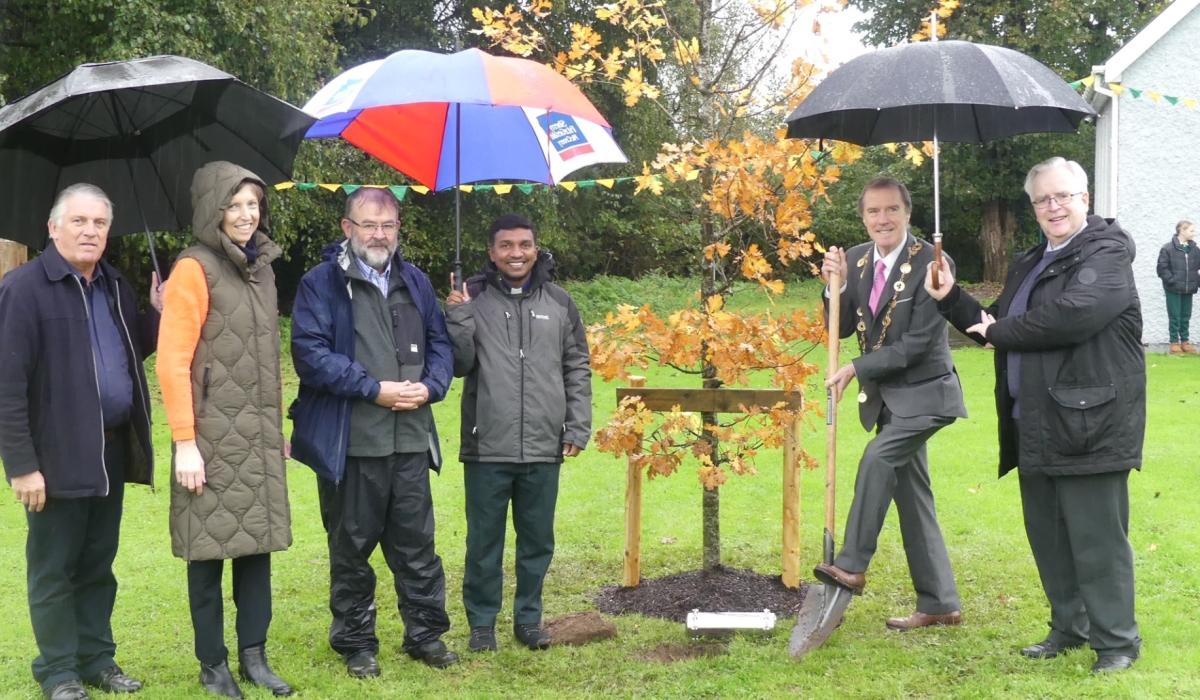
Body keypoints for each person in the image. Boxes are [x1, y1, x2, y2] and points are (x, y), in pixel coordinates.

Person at [925, 157, 1144, 674]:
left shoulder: (1107, 252)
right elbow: (996, 323)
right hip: (1035, 421)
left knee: (1097, 539)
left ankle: (1116, 642)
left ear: (1085, 198)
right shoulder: (1031, 262)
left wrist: (999, 332)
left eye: (1062, 196)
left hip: (1092, 423)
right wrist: (951, 297)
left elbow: (1072, 316)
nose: (1053, 206)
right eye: (1043, 199)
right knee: (1049, 535)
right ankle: (1069, 627)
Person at [289, 187, 458, 677]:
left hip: (410, 438)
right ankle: (357, 642)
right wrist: (372, 389)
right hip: (353, 442)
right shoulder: (321, 283)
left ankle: (425, 635)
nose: (379, 235)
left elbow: (440, 344)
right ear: (348, 228)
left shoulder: (415, 281)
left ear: (398, 228)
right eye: (369, 224)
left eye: (388, 225)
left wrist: (431, 386)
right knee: (351, 548)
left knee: (417, 546)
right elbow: (310, 354)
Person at [0, 184, 159, 700]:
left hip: (109, 450)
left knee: (97, 565)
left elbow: (129, 350)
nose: (90, 231)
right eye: (79, 221)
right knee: (54, 569)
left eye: (99, 223)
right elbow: (7, 383)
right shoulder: (24, 289)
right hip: (55, 456)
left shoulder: (115, 284)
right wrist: (22, 465)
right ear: (53, 228)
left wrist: (157, 314)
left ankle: (96, 660)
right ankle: (58, 672)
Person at [156, 162, 293, 698]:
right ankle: (213, 665)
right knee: (207, 554)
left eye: (252, 204)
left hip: (255, 436)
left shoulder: (263, 269)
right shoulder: (193, 268)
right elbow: (172, 363)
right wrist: (185, 443)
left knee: (256, 548)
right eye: (233, 204)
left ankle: (255, 657)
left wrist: (272, 428)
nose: (245, 214)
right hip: (208, 440)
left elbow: (264, 359)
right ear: (212, 211)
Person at [813, 177, 966, 631]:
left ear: (908, 213)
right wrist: (834, 287)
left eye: (892, 210)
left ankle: (851, 564)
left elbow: (919, 343)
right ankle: (940, 603)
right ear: (863, 217)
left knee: (878, 458)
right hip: (889, 401)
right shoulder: (857, 259)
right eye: (873, 211)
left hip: (927, 395)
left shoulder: (934, 263)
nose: (883, 219)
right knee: (913, 498)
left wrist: (857, 368)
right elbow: (841, 327)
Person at [445, 213, 592, 652]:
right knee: (483, 542)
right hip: (487, 444)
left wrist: (577, 424)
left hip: (545, 444)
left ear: (535, 249)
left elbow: (577, 366)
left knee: (537, 542)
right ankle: (482, 624)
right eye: (506, 245)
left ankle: (528, 620)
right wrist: (458, 317)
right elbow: (459, 365)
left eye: (524, 245)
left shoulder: (560, 302)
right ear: (492, 253)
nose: (516, 253)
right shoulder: (471, 298)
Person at [1156, 219, 1199, 354]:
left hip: (1188, 288)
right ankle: (1174, 342)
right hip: (1173, 288)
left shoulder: (1195, 249)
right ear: (1182, 230)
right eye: (1191, 230)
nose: (1194, 233)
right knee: (1175, 316)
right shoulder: (1167, 248)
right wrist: (1172, 281)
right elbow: (1162, 268)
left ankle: (1185, 342)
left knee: (1186, 316)